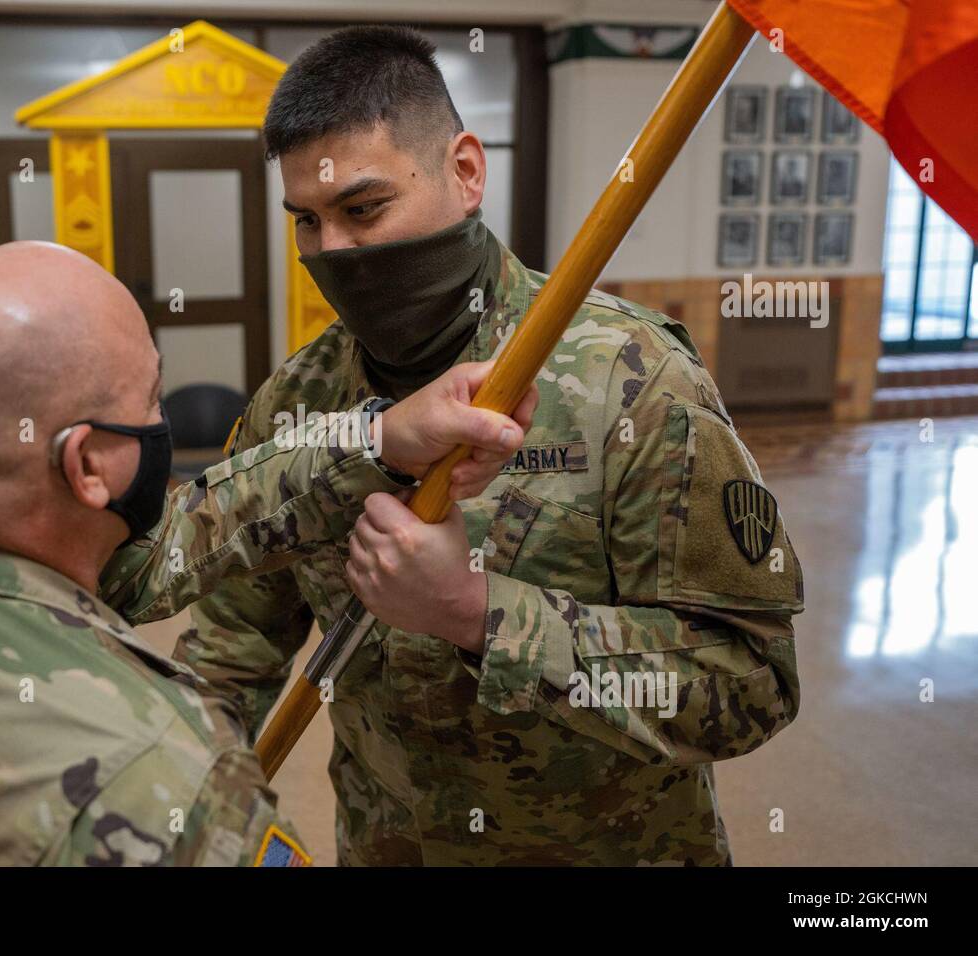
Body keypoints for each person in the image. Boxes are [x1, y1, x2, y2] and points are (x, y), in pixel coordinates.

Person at [175, 26, 803, 866]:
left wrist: (478, 615)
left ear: (464, 171)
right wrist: (189, 810)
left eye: (363, 210)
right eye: (308, 223)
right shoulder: (298, 404)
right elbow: (231, 649)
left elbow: (750, 685)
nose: (334, 252)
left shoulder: (634, 381)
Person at [0, 240, 534, 867]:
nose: (162, 424)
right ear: (87, 467)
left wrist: (376, 440)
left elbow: (177, 538)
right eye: (150, 402)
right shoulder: (169, 778)